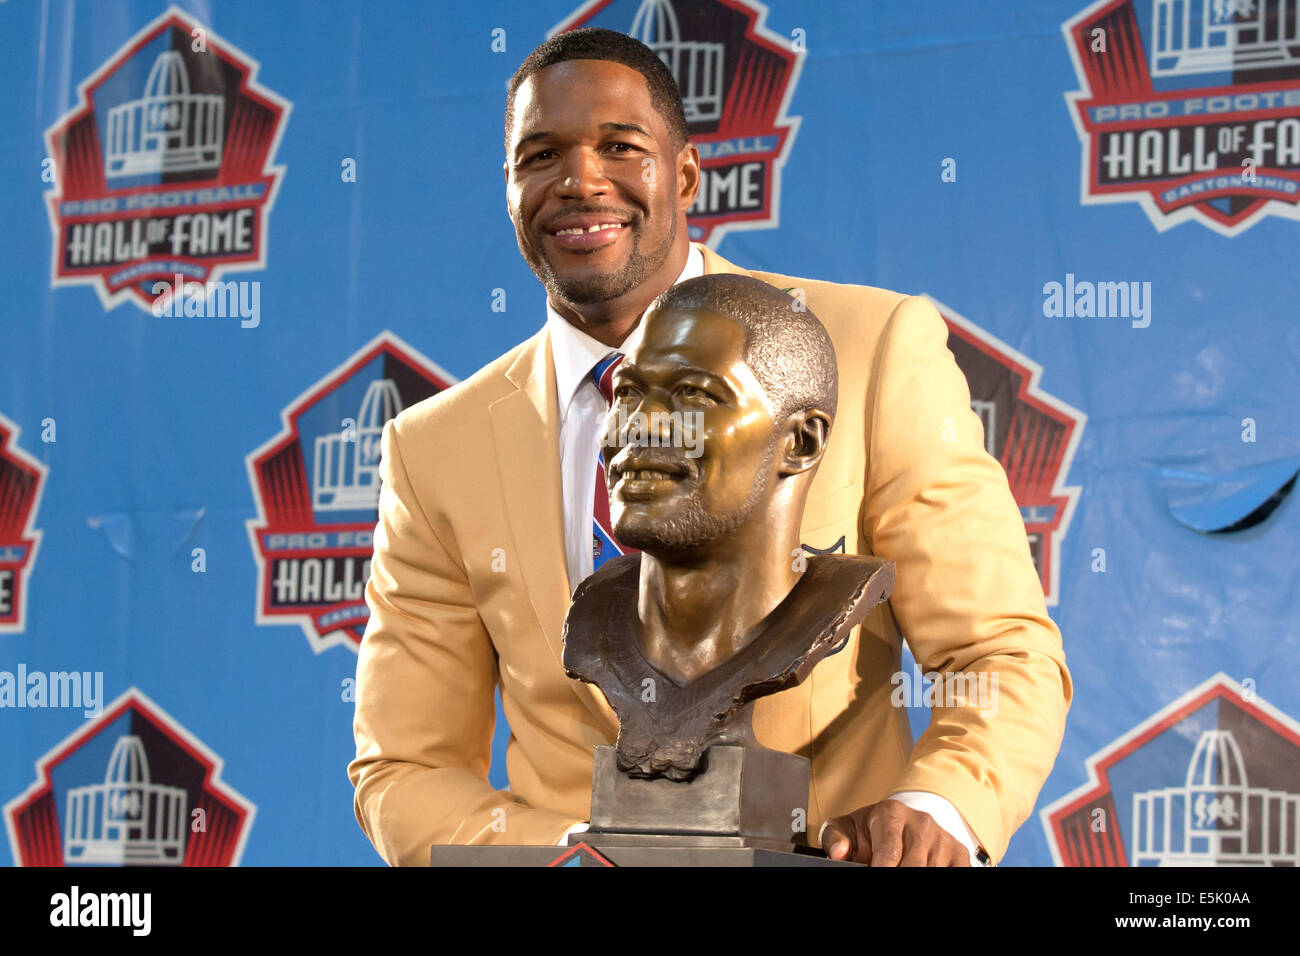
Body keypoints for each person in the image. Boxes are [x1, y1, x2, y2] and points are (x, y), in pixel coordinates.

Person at [349, 28, 1072, 867]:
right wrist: (577, 855)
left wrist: (935, 804)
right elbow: (406, 765)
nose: (580, 181)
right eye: (540, 156)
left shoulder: (866, 348)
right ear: (509, 189)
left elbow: (1000, 654)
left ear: (686, 174)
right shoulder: (437, 446)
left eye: (619, 146)